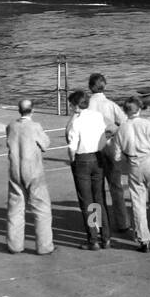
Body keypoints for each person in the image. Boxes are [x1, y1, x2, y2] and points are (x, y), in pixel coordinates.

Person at [113, 96, 150, 252]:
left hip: (134, 165)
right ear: (139, 109)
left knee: (138, 203)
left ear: (125, 111)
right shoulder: (147, 124)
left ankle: (143, 240)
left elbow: (116, 155)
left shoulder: (121, 129)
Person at [5, 99, 53, 255]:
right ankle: (44, 246)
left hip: (15, 170)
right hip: (33, 170)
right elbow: (45, 144)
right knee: (41, 208)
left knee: (15, 208)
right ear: (32, 110)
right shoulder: (35, 127)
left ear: (19, 110)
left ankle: (15, 245)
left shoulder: (11, 126)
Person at [65, 89, 110, 250]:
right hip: (98, 157)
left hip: (82, 159)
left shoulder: (75, 122)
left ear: (76, 106)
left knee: (86, 200)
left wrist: (72, 160)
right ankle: (106, 236)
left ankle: (93, 238)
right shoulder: (97, 116)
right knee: (99, 197)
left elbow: (72, 146)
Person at [87, 74, 131, 235]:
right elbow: (125, 121)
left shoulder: (87, 105)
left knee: (94, 190)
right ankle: (123, 222)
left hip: (92, 148)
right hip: (110, 146)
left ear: (90, 87)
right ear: (104, 86)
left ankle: (96, 224)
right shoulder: (110, 104)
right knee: (116, 187)